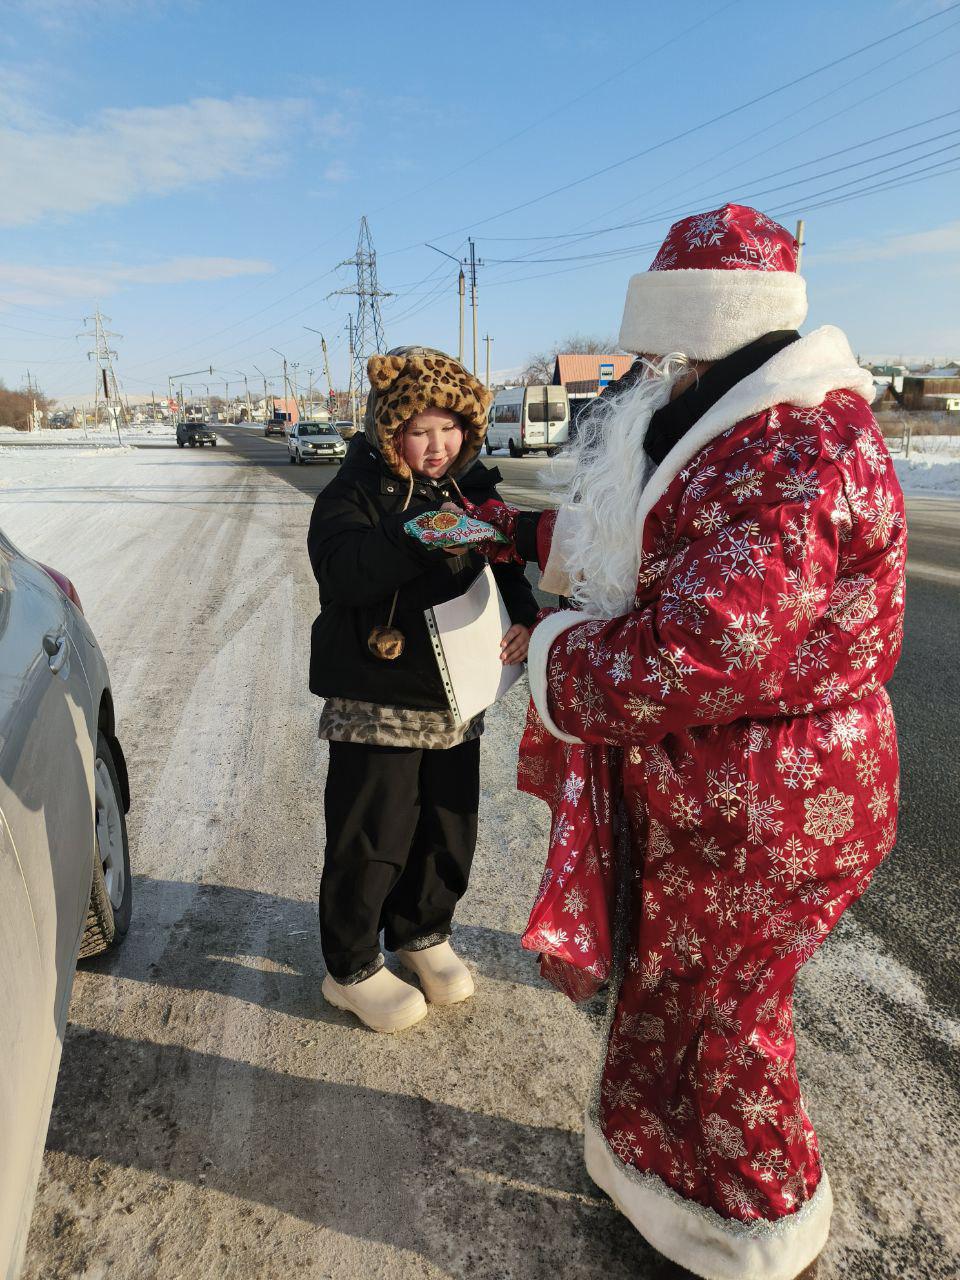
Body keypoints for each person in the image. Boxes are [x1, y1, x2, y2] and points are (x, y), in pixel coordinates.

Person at [469, 205, 906, 1279]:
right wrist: (521, 532)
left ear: (710, 328)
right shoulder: (742, 420)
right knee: (679, 996)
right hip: (733, 798)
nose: (656, 370)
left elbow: (703, 642)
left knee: (723, 1021)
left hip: (771, 804)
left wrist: (557, 652)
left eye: (670, 345)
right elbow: (654, 539)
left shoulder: (792, 447)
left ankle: (765, 1230)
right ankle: (666, 1180)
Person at [307, 347, 537, 1034]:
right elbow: (342, 572)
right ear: (390, 431)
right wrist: (414, 535)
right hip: (379, 699)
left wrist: (523, 614)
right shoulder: (350, 492)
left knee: (448, 824)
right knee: (373, 832)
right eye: (420, 430)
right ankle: (348, 966)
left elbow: (506, 566)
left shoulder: (472, 491)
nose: (438, 445)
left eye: (451, 428)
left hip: (455, 697)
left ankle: (421, 932)